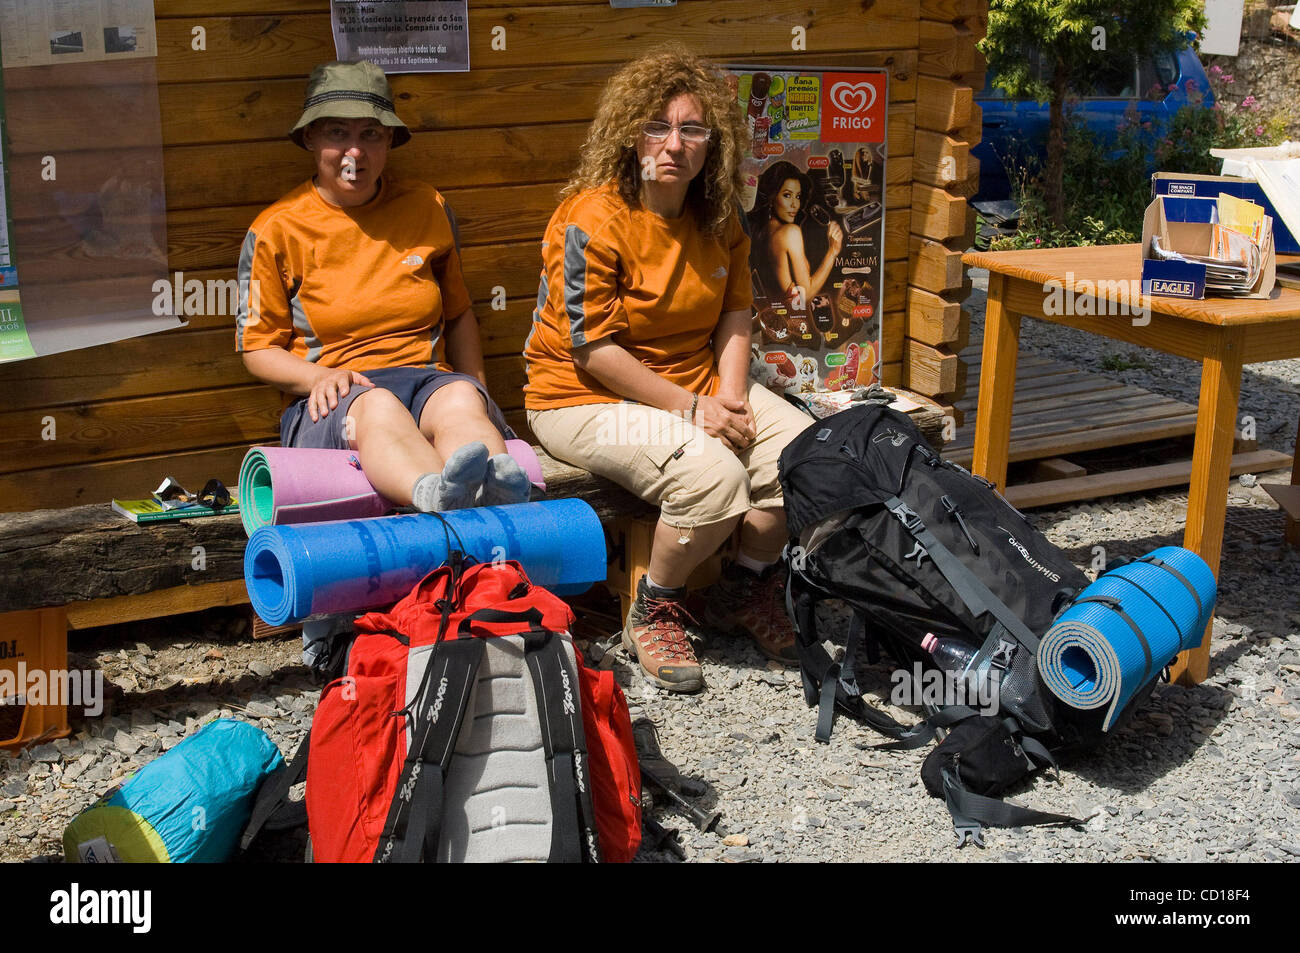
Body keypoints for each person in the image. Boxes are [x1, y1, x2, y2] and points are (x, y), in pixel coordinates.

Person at [523, 47, 814, 693]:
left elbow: (736, 313)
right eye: (658, 126)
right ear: (630, 134)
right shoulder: (590, 218)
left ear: (714, 143)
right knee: (711, 475)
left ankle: (746, 588)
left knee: (804, 457)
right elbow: (592, 349)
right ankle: (656, 606)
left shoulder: (719, 217)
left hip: (697, 383)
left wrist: (731, 399)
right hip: (580, 398)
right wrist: (693, 409)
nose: (673, 144)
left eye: (692, 129)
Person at [236, 60, 530, 516]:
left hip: (426, 379)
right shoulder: (277, 229)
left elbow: (458, 314)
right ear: (310, 138)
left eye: (371, 133)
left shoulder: (426, 205)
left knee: (459, 400)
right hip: (336, 398)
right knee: (378, 407)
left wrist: (476, 391)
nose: (355, 151)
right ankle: (434, 495)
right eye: (338, 132)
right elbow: (256, 348)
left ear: (390, 139)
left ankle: (500, 487)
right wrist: (318, 377)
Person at [747, 159, 843, 308]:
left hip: (772, 314)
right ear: (772, 198)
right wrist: (832, 251)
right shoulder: (790, 233)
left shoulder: (762, 231)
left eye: (797, 196)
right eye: (787, 195)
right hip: (793, 318)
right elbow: (807, 295)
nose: (795, 204)